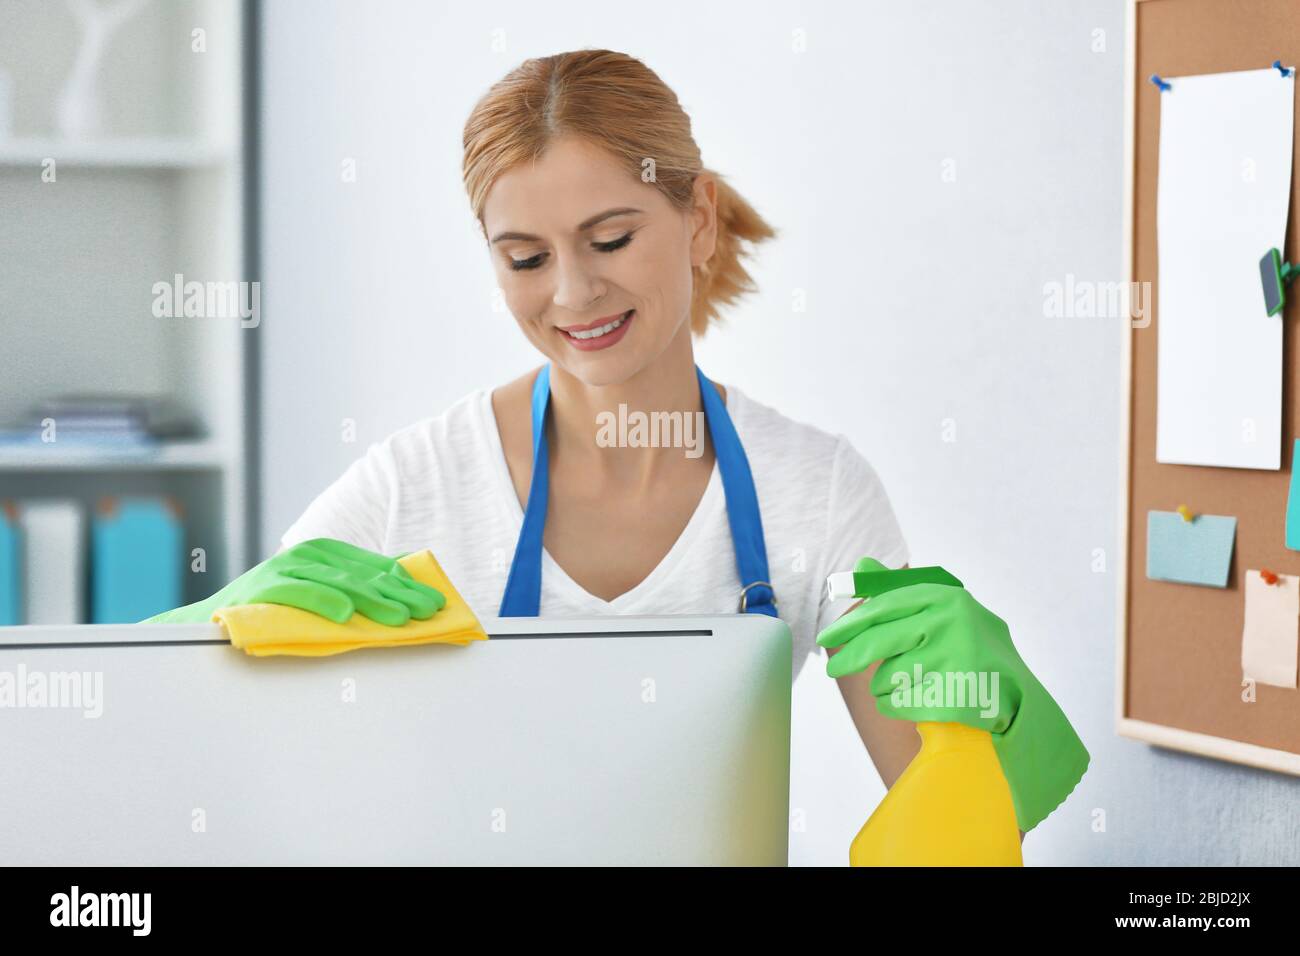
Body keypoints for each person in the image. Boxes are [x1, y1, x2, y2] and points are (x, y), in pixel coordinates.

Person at [151, 49, 1086, 832]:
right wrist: (199, 638)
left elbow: (956, 820)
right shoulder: (414, 485)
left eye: (609, 239)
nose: (571, 293)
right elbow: (179, 746)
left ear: (699, 220)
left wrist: (999, 709)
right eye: (526, 258)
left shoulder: (817, 491)